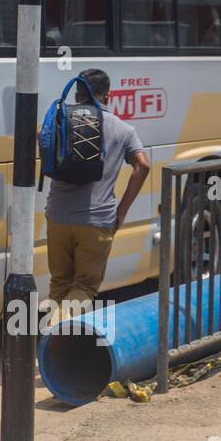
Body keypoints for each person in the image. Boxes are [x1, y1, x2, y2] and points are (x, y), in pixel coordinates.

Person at [44, 68, 150, 312]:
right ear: (107, 96)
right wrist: (121, 211)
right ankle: (58, 334)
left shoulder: (62, 118)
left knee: (59, 283)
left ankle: (53, 343)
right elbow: (142, 166)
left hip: (58, 216)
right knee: (84, 286)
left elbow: (41, 138)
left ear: (78, 94)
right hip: (96, 220)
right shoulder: (123, 130)